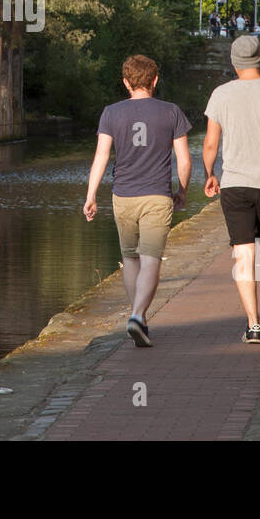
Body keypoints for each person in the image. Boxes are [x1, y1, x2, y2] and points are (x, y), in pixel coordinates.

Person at [84, 54, 192, 347]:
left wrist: (91, 195)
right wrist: (182, 190)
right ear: (155, 80)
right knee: (151, 258)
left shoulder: (110, 113)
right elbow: (183, 159)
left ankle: (138, 318)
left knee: (130, 258)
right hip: (157, 195)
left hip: (123, 196)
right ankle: (137, 315)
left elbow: (101, 157)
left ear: (125, 83)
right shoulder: (171, 112)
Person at [202, 35, 260, 344]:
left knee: (242, 253)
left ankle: (252, 325)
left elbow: (211, 143)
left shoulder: (220, 95)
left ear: (234, 62)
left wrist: (210, 174)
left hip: (235, 184)